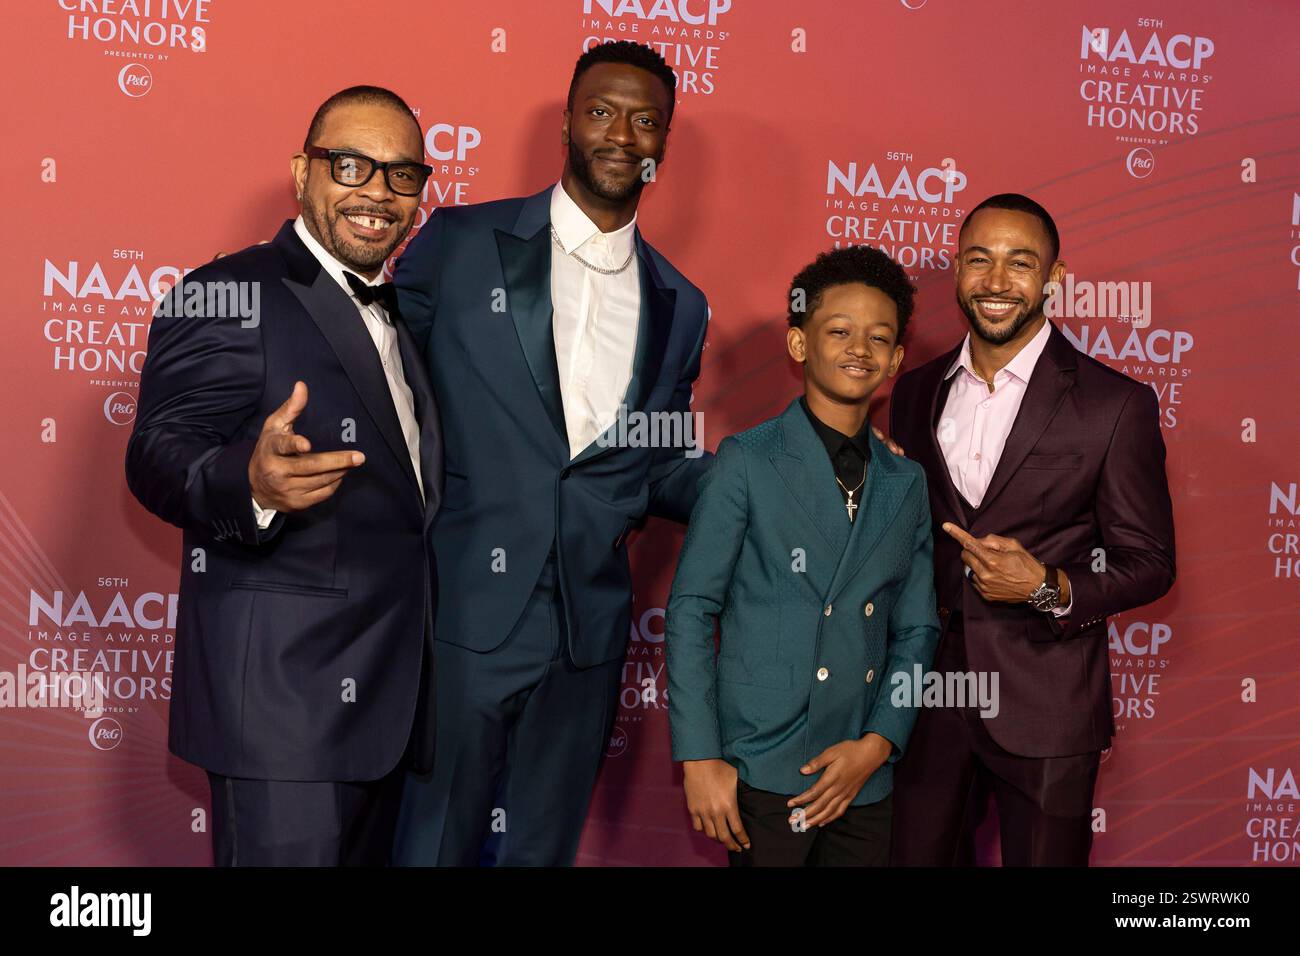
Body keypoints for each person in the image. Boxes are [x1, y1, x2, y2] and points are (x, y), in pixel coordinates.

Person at [390, 41, 710, 866]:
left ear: (663, 145)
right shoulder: (458, 243)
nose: (622, 135)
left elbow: (660, 462)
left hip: (587, 631)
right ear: (568, 121)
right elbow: (384, 391)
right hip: (461, 612)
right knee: (432, 846)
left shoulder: (682, 303)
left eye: (646, 121)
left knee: (541, 852)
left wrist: (786, 472)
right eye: (602, 112)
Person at [125, 86, 441, 866]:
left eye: (402, 175)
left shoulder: (405, 317)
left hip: (389, 708)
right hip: (281, 713)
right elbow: (158, 453)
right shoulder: (231, 293)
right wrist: (251, 484)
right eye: (351, 165)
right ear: (303, 172)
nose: (378, 191)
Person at [888, 193, 1176, 866]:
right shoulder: (913, 391)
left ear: (1055, 277)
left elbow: (1150, 561)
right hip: (925, 697)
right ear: (956, 270)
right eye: (979, 260)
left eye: (1021, 263)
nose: (996, 282)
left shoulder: (1114, 403)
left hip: (1048, 704)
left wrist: (1046, 586)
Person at [666, 245, 940, 866]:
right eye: (838, 331)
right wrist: (700, 757)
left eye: (879, 337)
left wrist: (879, 742)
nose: (858, 349)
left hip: (861, 773)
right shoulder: (747, 460)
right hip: (762, 760)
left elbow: (918, 629)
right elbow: (690, 610)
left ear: (896, 358)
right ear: (798, 344)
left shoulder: (906, 481)